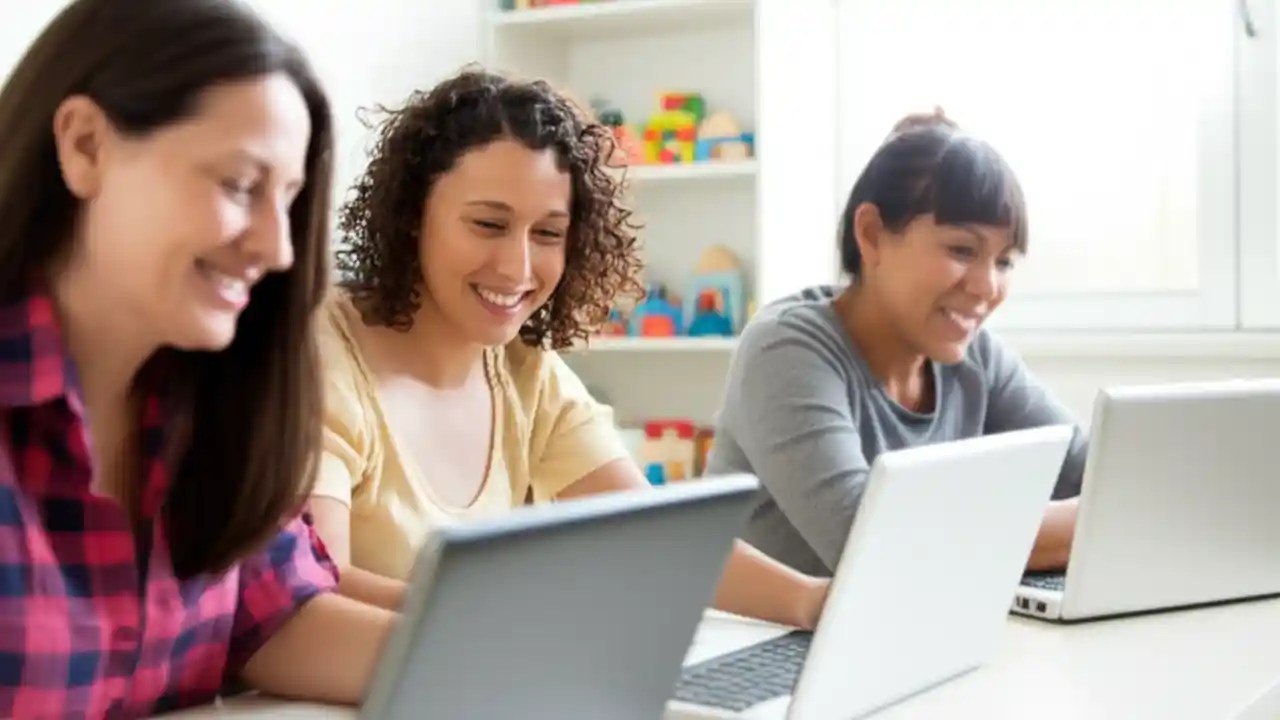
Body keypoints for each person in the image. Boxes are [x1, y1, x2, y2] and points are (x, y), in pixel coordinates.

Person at [308, 68, 831, 630]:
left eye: (548, 234)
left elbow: (655, 534)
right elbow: (319, 582)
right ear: (413, 216)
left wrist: (815, 602)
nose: (518, 268)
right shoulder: (323, 353)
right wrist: (515, 622)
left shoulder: (525, 371)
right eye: (488, 224)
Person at [0, 1, 395, 716]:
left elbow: (283, 617)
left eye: (290, 200)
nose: (277, 250)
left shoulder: (207, 406)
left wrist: (531, 659)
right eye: (241, 186)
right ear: (86, 146)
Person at [703, 113, 1089, 578]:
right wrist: (1088, 523)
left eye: (1004, 261)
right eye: (962, 250)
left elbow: (1101, 473)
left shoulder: (975, 357)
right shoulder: (784, 350)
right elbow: (872, 545)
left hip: (900, 630)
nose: (988, 287)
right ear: (871, 235)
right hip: (766, 643)